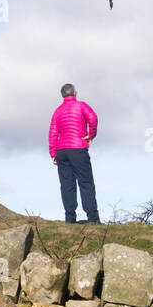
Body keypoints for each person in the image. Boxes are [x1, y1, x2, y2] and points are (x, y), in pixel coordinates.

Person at [49, 83, 100, 223]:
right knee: (86, 183)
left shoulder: (57, 111)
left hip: (62, 151)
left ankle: (70, 219)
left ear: (62, 95)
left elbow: (53, 133)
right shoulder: (81, 105)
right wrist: (91, 135)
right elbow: (93, 118)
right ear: (75, 93)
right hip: (78, 149)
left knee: (67, 185)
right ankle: (93, 218)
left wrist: (53, 153)